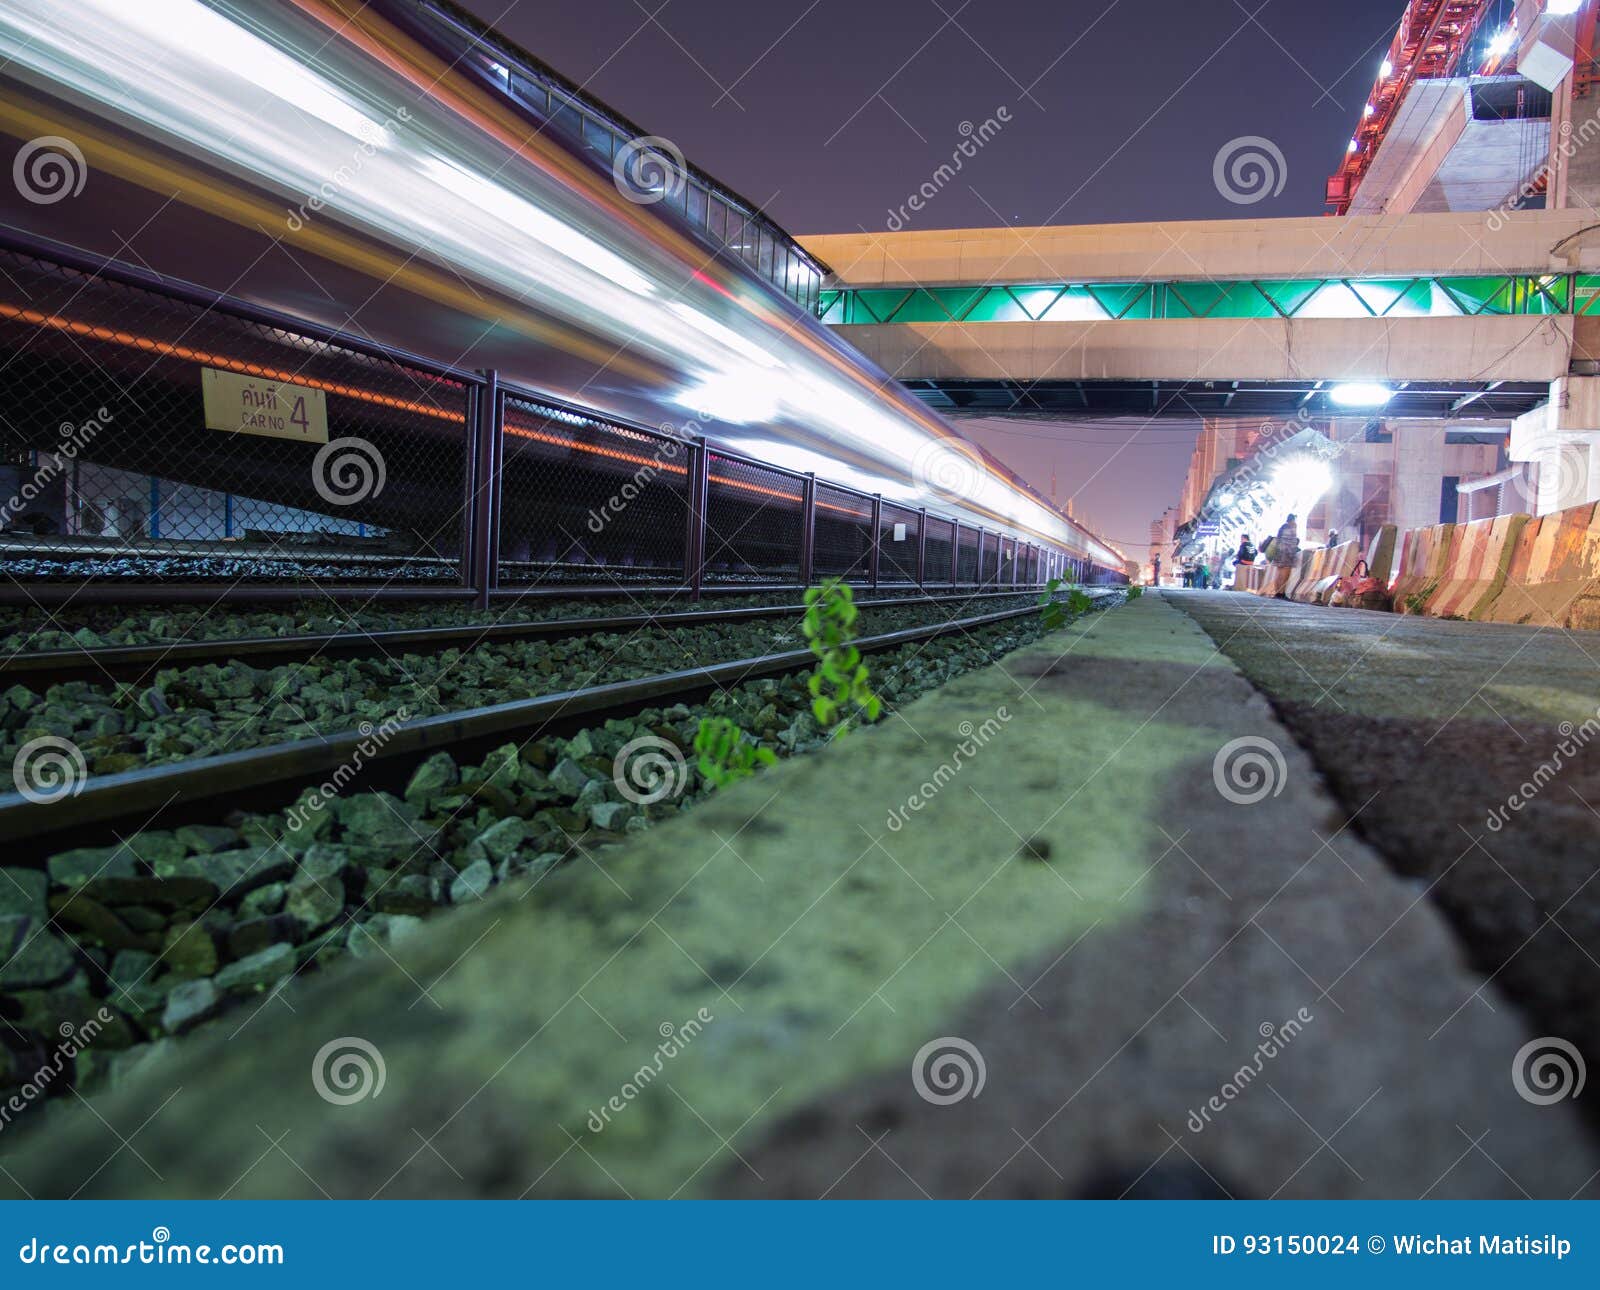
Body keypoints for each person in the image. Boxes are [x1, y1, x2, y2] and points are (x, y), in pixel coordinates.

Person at [1268, 513, 1300, 599]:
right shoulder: (1292, 527)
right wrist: (1293, 554)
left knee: (1278, 573)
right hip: (1287, 554)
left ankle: (1277, 592)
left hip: (1279, 553)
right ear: (1293, 520)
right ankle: (1282, 593)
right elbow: (1292, 542)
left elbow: (1279, 540)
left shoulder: (1282, 527)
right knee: (1285, 574)